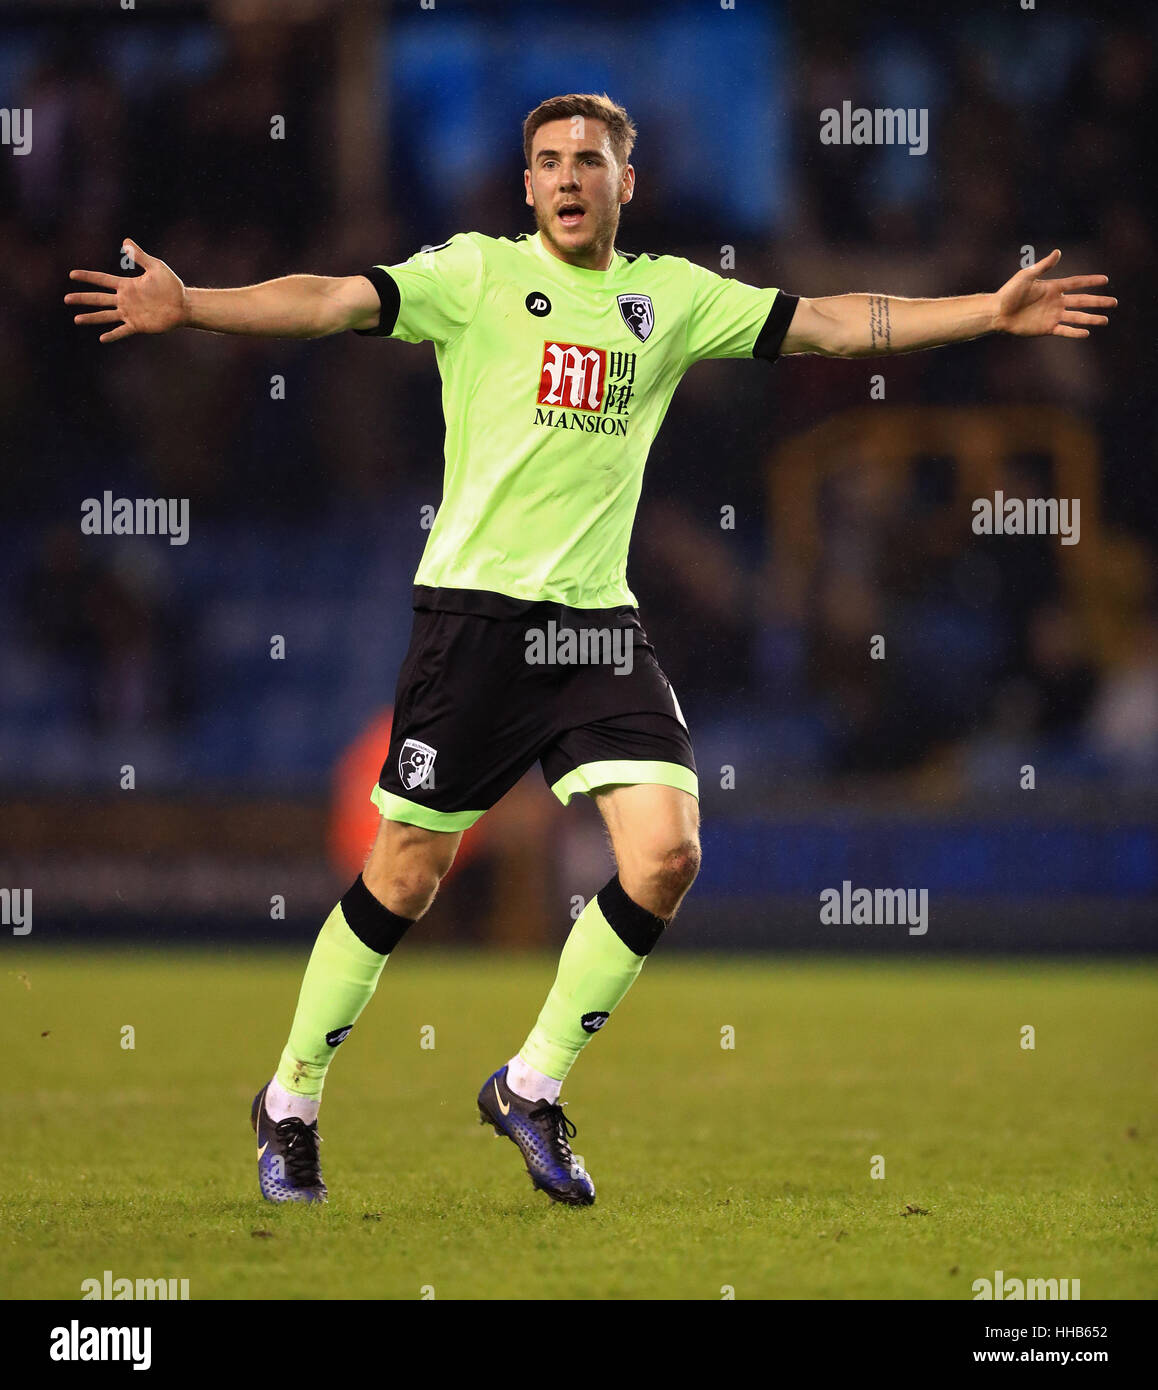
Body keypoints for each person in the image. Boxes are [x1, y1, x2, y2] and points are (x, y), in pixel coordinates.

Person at [66, 92, 1115, 1207]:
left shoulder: (669, 297)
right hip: (472, 620)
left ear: (629, 183)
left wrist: (985, 314)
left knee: (666, 855)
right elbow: (330, 299)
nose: (569, 178)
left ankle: (529, 1084)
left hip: (594, 627)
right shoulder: (472, 276)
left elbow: (832, 321)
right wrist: (192, 306)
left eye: (591, 161)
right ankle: (290, 1099)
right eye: (550, 162)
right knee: (405, 878)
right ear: (527, 186)